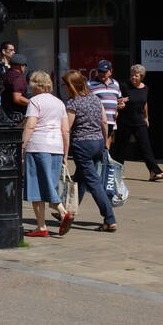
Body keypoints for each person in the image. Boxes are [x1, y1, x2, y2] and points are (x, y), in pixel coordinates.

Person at [62, 70, 117, 232]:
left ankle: (109, 218)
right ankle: (68, 211)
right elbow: (104, 121)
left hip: (82, 145)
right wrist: (105, 142)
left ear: (71, 85)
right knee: (81, 179)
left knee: (93, 182)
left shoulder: (73, 103)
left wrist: (64, 152)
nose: (63, 87)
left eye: (65, 84)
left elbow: (67, 129)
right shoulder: (95, 99)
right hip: (97, 142)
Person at [22, 70, 70, 236]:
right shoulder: (59, 103)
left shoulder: (35, 101)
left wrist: (22, 147)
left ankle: (61, 213)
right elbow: (65, 130)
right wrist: (65, 153)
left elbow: (30, 125)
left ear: (35, 85)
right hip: (56, 147)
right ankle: (41, 227)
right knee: (49, 183)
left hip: (37, 146)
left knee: (37, 185)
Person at [115, 63, 163, 181]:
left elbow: (145, 103)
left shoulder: (145, 88)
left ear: (141, 76)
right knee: (120, 148)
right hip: (125, 122)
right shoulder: (124, 86)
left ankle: (154, 172)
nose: (133, 77)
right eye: (132, 75)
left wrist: (146, 118)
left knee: (145, 147)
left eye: (136, 75)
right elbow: (117, 100)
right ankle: (117, 173)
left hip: (139, 122)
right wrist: (120, 102)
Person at [88, 60, 121, 147]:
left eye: (104, 72)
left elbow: (119, 100)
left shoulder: (116, 84)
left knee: (106, 147)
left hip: (111, 120)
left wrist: (120, 106)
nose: (102, 74)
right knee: (97, 145)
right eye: (100, 71)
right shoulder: (89, 84)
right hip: (96, 121)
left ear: (111, 72)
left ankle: (104, 159)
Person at [2, 52, 29, 123]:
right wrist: (33, 103)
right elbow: (17, 98)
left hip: (6, 114)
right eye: (25, 65)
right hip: (16, 117)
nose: (25, 67)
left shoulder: (6, 75)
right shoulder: (17, 79)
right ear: (21, 66)